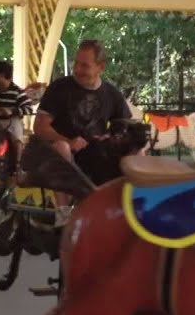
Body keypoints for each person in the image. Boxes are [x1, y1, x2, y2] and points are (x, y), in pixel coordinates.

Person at [32, 40, 136, 218]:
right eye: (77, 63)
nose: (78, 70)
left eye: (85, 66)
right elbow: (39, 126)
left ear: (100, 67)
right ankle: (63, 214)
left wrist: (114, 139)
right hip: (61, 153)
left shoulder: (112, 94)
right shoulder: (59, 88)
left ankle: (131, 209)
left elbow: (126, 127)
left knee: (135, 152)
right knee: (61, 147)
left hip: (95, 154)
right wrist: (68, 141)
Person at [0, 60, 40, 141]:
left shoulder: (17, 91)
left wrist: (12, 111)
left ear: (2, 75)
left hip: (12, 120)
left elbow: (28, 109)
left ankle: (19, 152)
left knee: (17, 138)